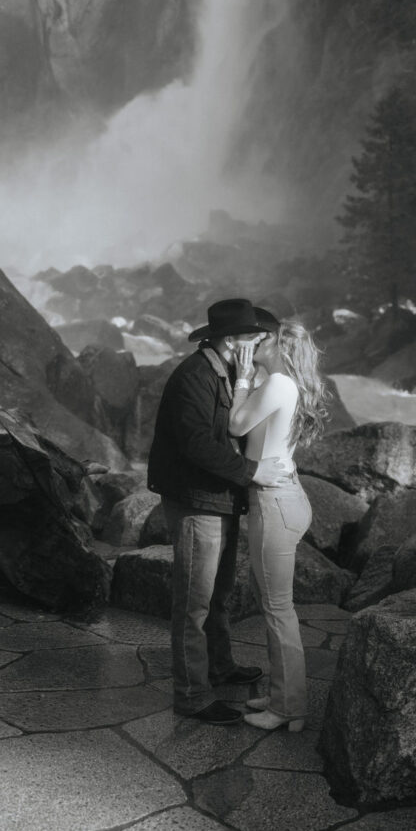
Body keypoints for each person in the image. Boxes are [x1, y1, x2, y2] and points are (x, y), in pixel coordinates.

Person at [147, 298, 291, 725]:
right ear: (232, 342)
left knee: (218, 595)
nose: (261, 341)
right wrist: (253, 472)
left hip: (218, 498)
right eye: (254, 337)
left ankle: (220, 666)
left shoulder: (227, 370)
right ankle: (192, 695)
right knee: (194, 602)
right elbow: (197, 446)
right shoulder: (193, 376)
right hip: (196, 501)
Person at [228, 319, 330, 732]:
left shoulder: (277, 384)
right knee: (276, 607)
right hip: (284, 495)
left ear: (282, 346)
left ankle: (289, 709)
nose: (257, 340)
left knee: (277, 610)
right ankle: (283, 694)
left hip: (275, 502)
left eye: (265, 337)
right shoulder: (283, 384)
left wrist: (241, 378)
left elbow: (236, 426)